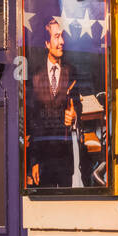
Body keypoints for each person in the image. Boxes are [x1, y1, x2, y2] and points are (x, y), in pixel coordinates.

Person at [25, 19, 90, 188]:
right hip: (43, 160)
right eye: (56, 37)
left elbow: (78, 105)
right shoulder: (35, 76)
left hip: (65, 159)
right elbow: (32, 123)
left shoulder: (71, 71)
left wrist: (75, 114)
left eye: (62, 37)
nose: (62, 42)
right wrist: (34, 161)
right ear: (47, 43)